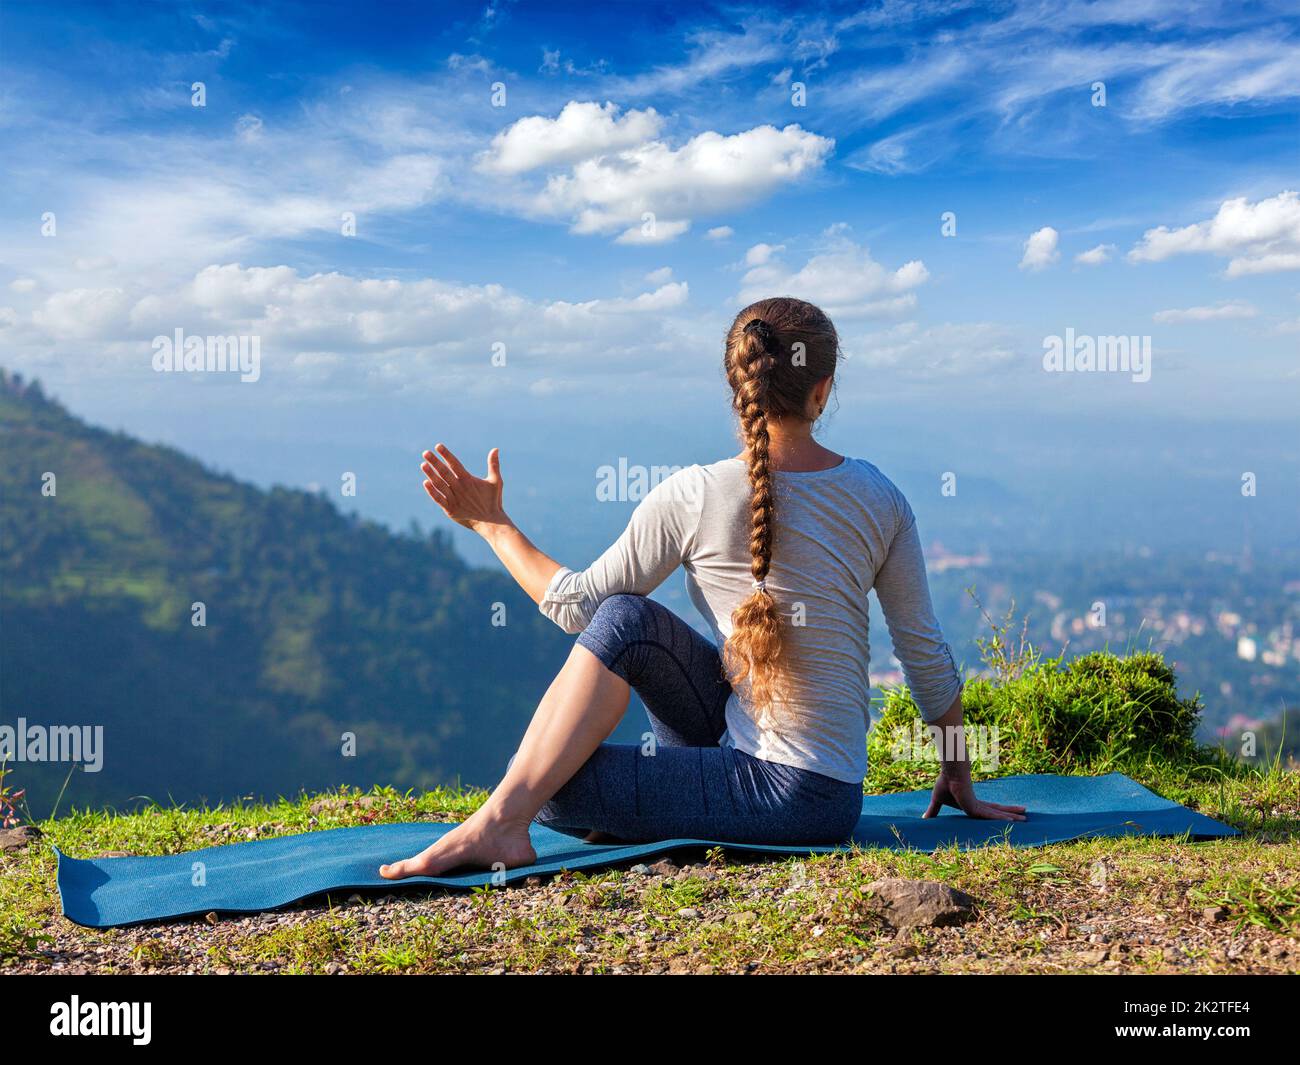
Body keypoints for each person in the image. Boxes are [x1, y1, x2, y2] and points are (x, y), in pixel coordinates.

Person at [380, 296, 1025, 879]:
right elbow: (925, 655)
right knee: (627, 621)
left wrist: (494, 528)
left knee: (550, 786)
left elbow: (574, 604)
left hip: (790, 798)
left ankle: (502, 823)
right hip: (823, 789)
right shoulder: (879, 497)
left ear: (736, 382)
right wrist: (957, 772)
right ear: (823, 391)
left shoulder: (694, 493)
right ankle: (536, 814)